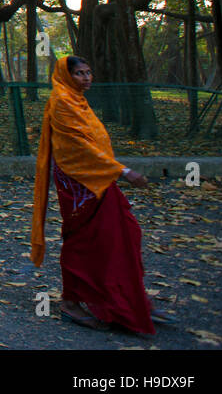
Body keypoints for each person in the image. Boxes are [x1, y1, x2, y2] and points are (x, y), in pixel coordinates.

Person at [30, 55, 163, 334]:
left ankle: (124, 298)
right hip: (79, 183)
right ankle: (71, 302)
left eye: (89, 72)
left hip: (98, 177)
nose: (87, 78)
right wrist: (123, 172)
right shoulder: (62, 102)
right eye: (79, 73)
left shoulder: (78, 99)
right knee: (85, 240)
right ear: (67, 76)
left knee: (123, 233)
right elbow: (80, 148)